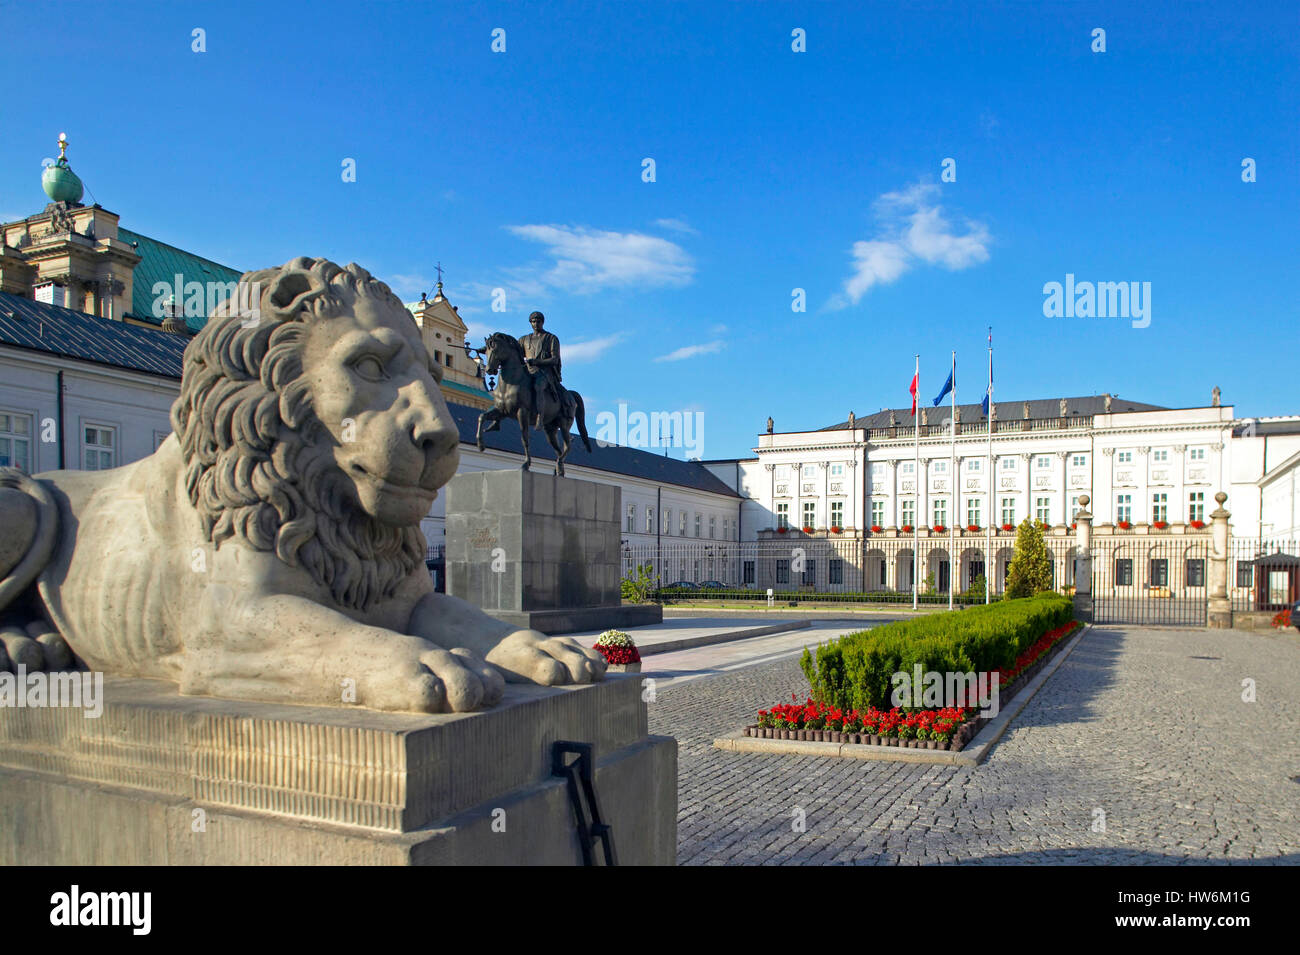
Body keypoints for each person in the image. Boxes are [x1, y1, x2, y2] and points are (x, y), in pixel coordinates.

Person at [519, 311, 562, 428]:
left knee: (538, 387)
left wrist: (537, 362)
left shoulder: (551, 338)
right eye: (533, 322)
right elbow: (514, 353)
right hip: (528, 372)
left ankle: (540, 417)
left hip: (544, 373)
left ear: (542, 322)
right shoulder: (524, 340)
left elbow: (555, 360)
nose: (536, 324)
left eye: (538, 321)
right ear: (530, 323)